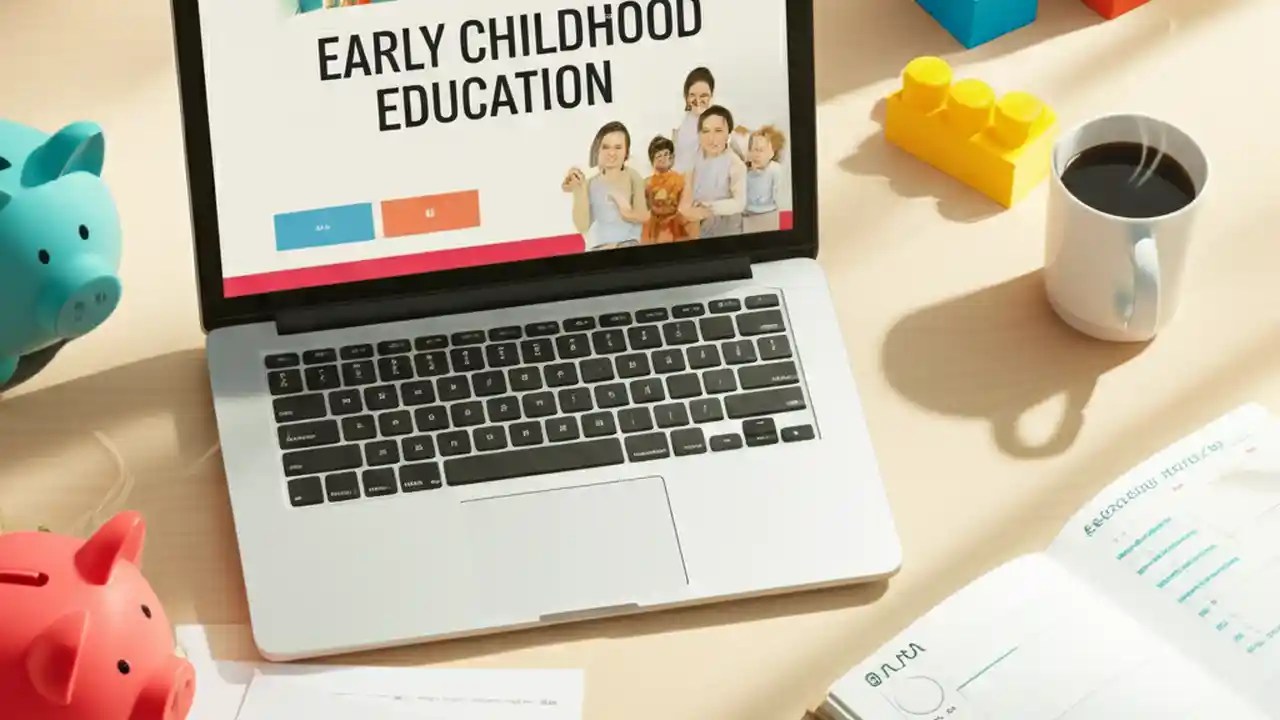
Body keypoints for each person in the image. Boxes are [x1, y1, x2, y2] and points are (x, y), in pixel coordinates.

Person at [561, 121, 647, 251]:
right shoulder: (590, 183)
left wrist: (627, 212)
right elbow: (582, 225)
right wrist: (579, 190)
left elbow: (643, 216)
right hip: (599, 249)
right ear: (598, 150)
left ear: (626, 152)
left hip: (629, 247)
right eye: (606, 147)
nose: (611, 153)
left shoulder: (633, 176)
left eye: (618, 147)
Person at [679, 105, 747, 237]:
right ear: (699, 134)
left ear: (728, 133)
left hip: (727, 227)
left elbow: (740, 203)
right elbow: (686, 197)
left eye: (718, 131)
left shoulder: (735, 164)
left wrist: (708, 208)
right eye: (705, 131)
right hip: (699, 225)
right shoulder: (694, 157)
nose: (711, 138)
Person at [742, 125, 788, 234]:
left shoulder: (775, 170)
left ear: (772, 153)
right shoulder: (745, 171)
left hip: (770, 215)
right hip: (748, 216)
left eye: (761, 150)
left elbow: (785, 202)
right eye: (753, 149)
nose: (756, 154)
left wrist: (786, 229)